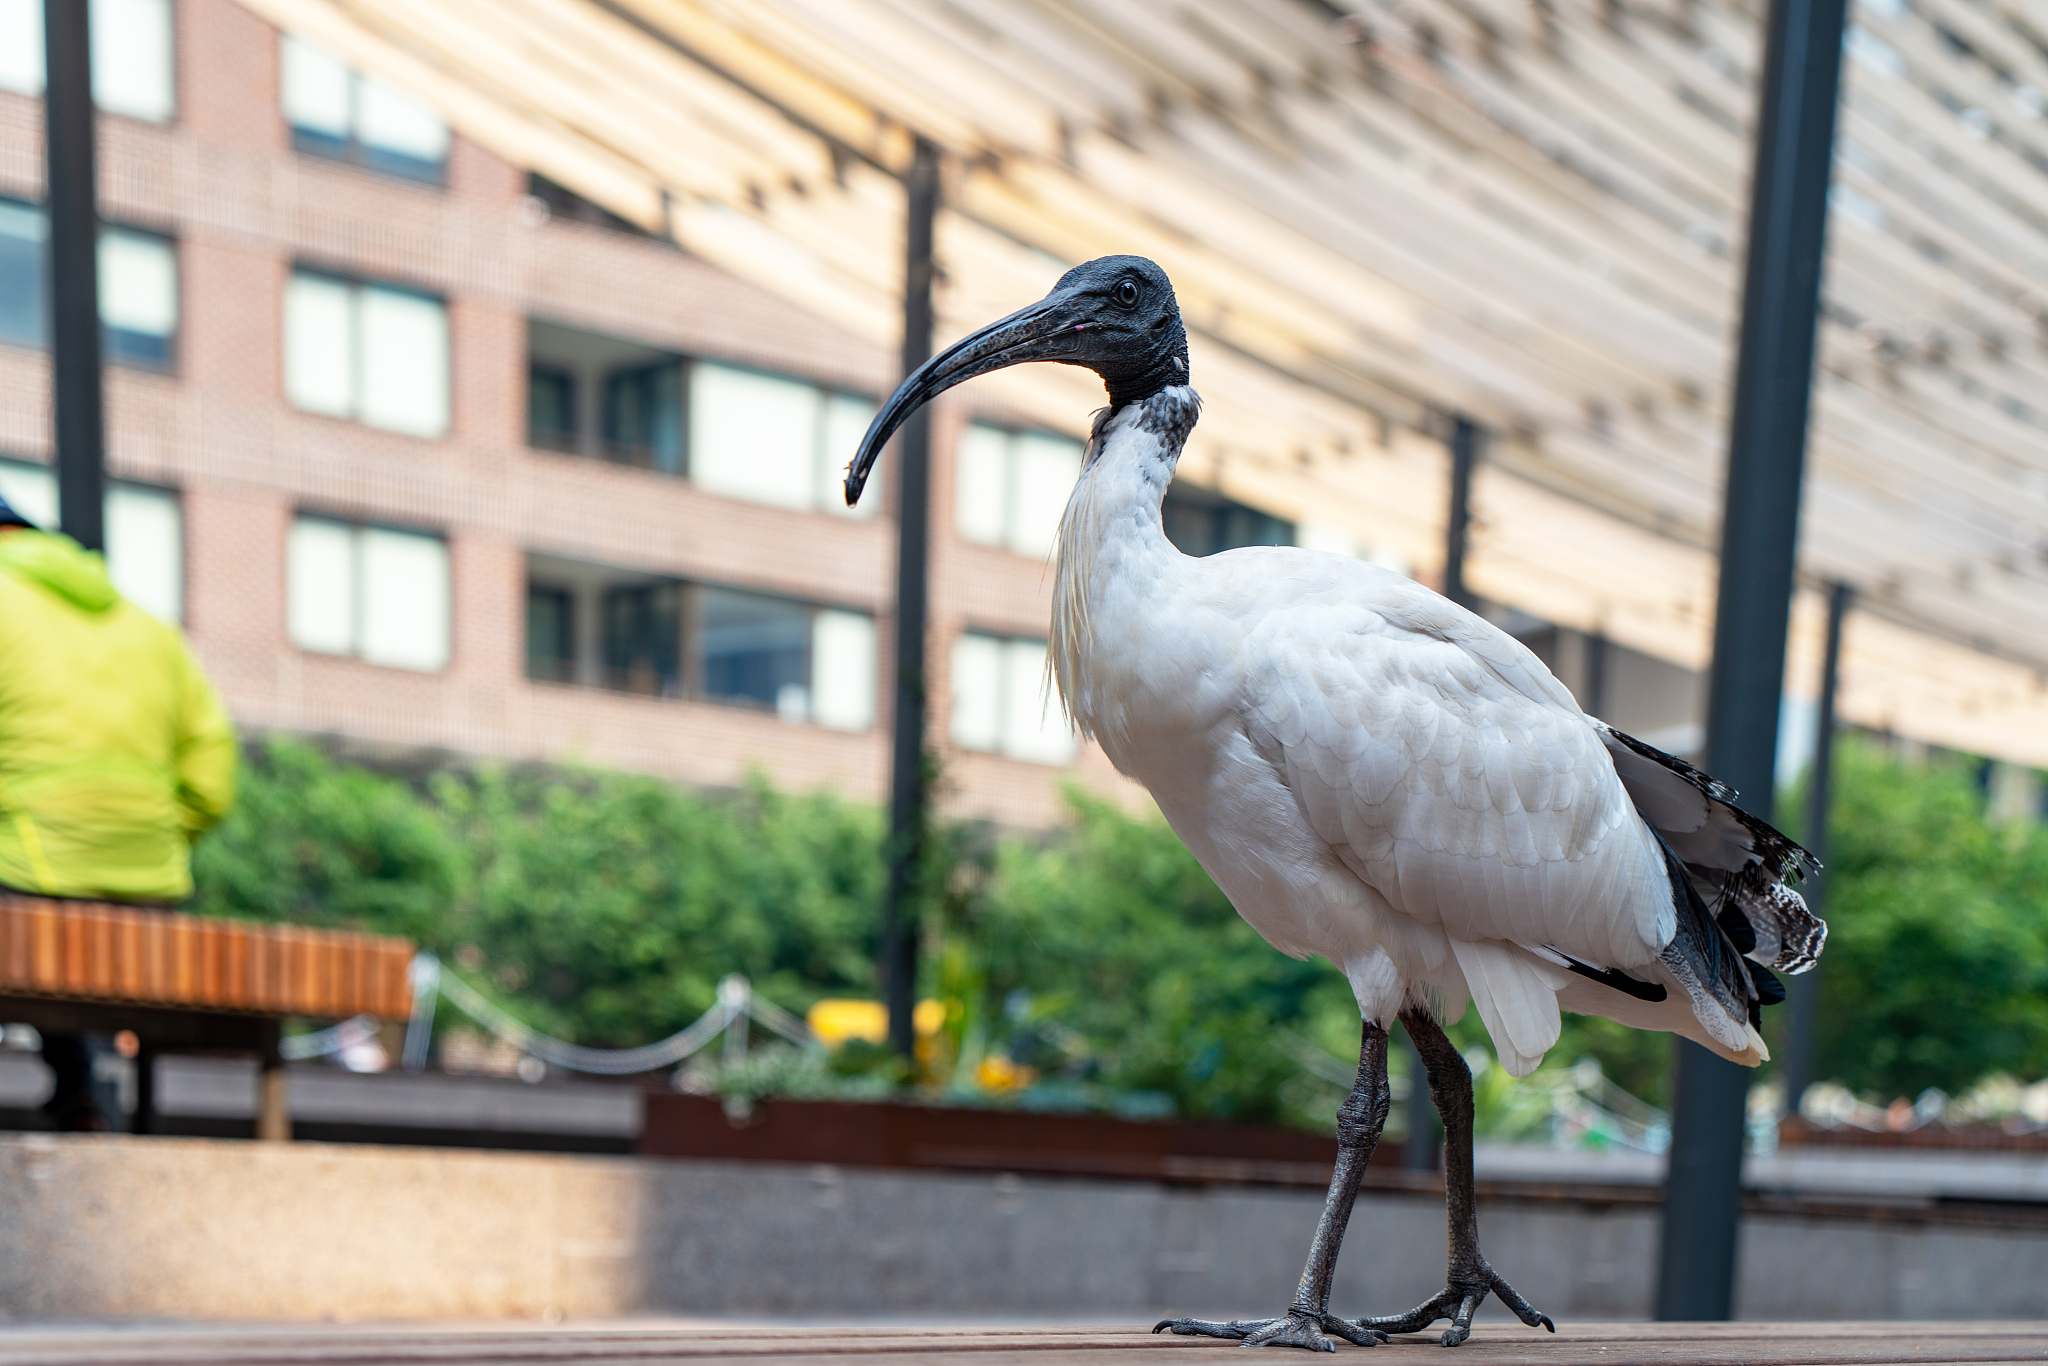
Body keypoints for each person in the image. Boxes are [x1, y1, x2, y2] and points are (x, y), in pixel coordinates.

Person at [0, 490, 235, 1128]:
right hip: (150, 889)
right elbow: (213, 776)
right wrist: (153, 837)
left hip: (27, 881)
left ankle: (76, 1089)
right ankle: (83, 1094)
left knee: (26, 898)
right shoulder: (147, 625)